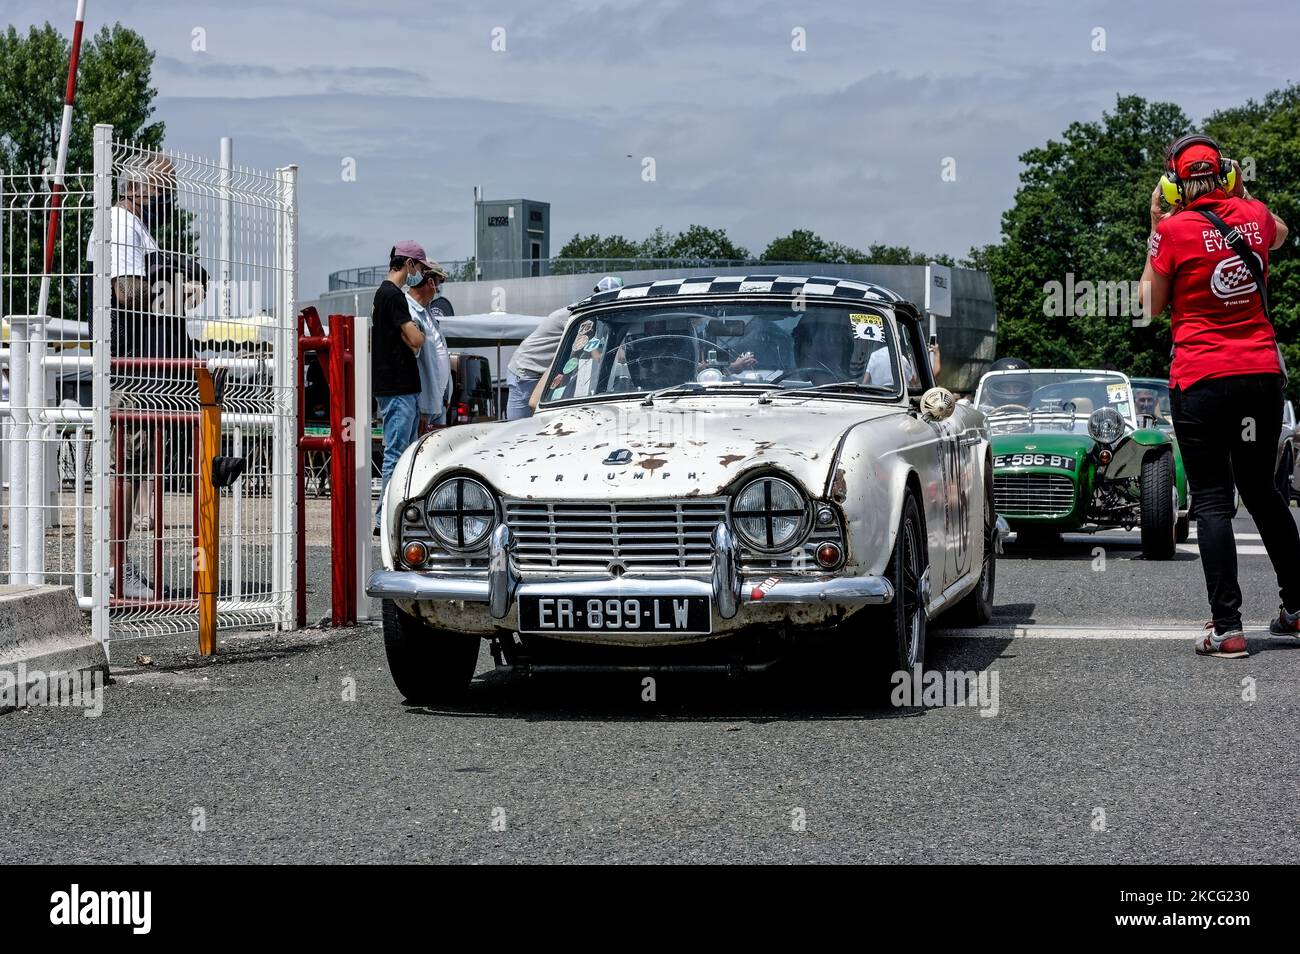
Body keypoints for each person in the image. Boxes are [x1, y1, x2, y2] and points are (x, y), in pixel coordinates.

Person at [1138, 133, 1297, 658]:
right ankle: (1296, 609)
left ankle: (1227, 628)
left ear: (1174, 182)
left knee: (1211, 500)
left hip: (1202, 378)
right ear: (1225, 173)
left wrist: (1154, 233)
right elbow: (1279, 236)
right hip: (1260, 374)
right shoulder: (1253, 214)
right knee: (1262, 489)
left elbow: (1151, 307)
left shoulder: (1174, 230)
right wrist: (1244, 194)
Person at [87, 153, 204, 599]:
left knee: (138, 467)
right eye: (163, 186)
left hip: (146, 362)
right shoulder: (120, 224)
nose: (168, 195)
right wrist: (178, 284)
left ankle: (121, 562)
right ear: (138, 188)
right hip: (131, 362)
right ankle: (116, 565)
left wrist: (179, 284)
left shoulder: (135, 227)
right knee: (129, 466)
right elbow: (128, 291)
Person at [372, 241, 433, 534]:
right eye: (419, 268)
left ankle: (391, 512)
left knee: (402, 452)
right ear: (408, 264)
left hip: (396, 386)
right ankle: (384, 515)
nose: (419, 274)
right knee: (397, 453)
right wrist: (416, 334)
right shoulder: (393, 296)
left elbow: (410, 339)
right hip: (398, 386)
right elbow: (416, 339)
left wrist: (413, 337)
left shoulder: (383, 295)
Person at [508, 276, 622, 419]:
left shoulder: (591, 314)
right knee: (519, 427)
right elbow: (582, 354)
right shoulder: (583, 316)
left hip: (543, 370)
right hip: (527, 370)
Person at [405, 266, 452, 431]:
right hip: (422, 404)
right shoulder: (409, 311)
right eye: (438, 283)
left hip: (435, 403)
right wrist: (423, 406)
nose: (437, 289)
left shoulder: (425, 313)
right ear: (430, 282)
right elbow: (413, 362)